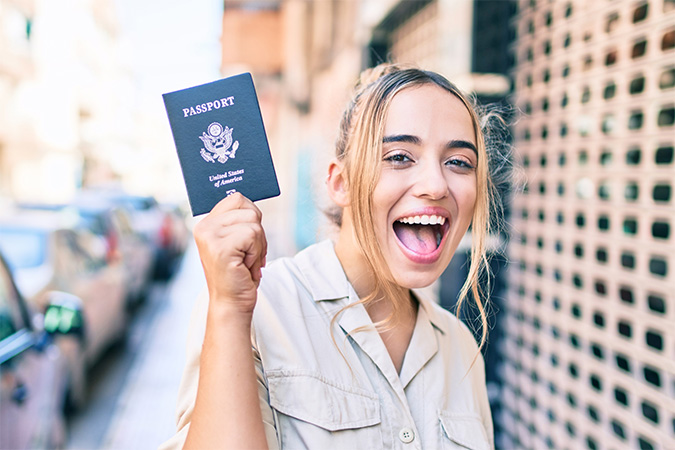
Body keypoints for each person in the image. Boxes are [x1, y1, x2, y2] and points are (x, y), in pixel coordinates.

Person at [161, 63, 500, 450]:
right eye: (399, 157)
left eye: (458, 162)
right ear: (341, 183)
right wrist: (229, 309)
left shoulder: (461, 347)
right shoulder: (256, 308)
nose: (436, 185)